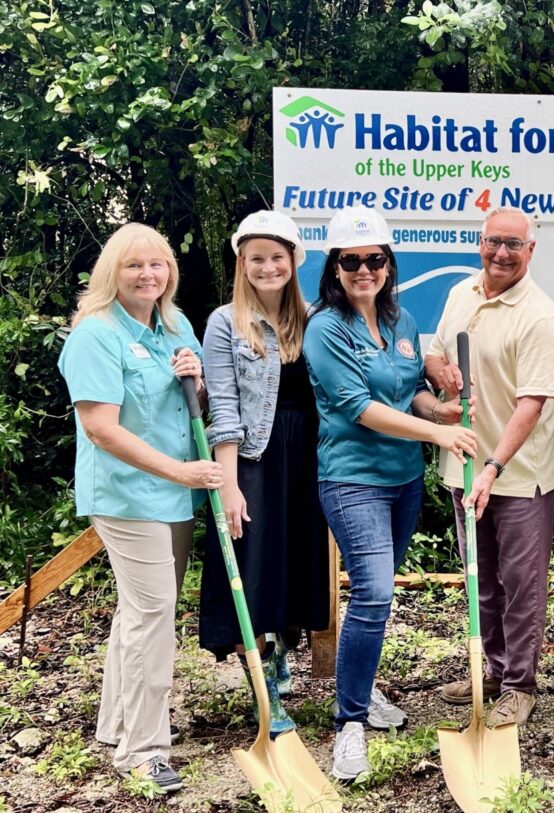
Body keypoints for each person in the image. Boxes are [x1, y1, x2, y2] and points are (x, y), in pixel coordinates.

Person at [302, 206, 477, 781]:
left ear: (388, 263)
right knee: (374, 592)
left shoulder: (401, 319)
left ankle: (362, 687)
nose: (364, 270)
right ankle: (348, 723)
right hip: (352, 478)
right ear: (335, 267)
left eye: (374, 259)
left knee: (377, 597)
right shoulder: (324, 328)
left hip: (402, 479)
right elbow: (358, 407)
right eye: (351, 261)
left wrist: (438, 409)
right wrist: (437, 431)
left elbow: (409, 397)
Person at [57, 223, 224, 793]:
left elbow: (193, 403)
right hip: (128, 496)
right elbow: (102, 430)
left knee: (141, 612)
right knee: (153, 618)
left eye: (157, 264)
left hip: (174, 494)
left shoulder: (174, 324)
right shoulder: (95, 335)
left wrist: (195, 379)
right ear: (112, 272)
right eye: (134, 265)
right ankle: (145, 750)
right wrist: (182, 472)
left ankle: (115, 726)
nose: (147, 274)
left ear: (170, 271)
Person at [426, 207, 554, 729]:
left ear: (531, 250)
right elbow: (435, 358)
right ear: (479, 243)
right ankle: (492, 668)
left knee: (520, 582)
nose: (501, 253)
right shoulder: (462, 293)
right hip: (465, 466)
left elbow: (532, 402)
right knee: (479, 577)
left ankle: (520, 685)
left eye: (513, 244)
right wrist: (446, 374)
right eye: (493, 242)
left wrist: (492, 466)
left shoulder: (539, 316)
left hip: (518, 474)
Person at [199, 211, 329, 734]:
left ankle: (280, 656)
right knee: (253, 565)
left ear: (294, 261)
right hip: (254, 458)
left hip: (307, 460)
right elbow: (224, 408)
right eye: (256, 258)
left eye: (278, 257)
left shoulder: (315, 318)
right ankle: (262, 685)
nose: (268, 267)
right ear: (241, 263)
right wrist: (229, 485)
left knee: (295, 564)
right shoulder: (224, 322)